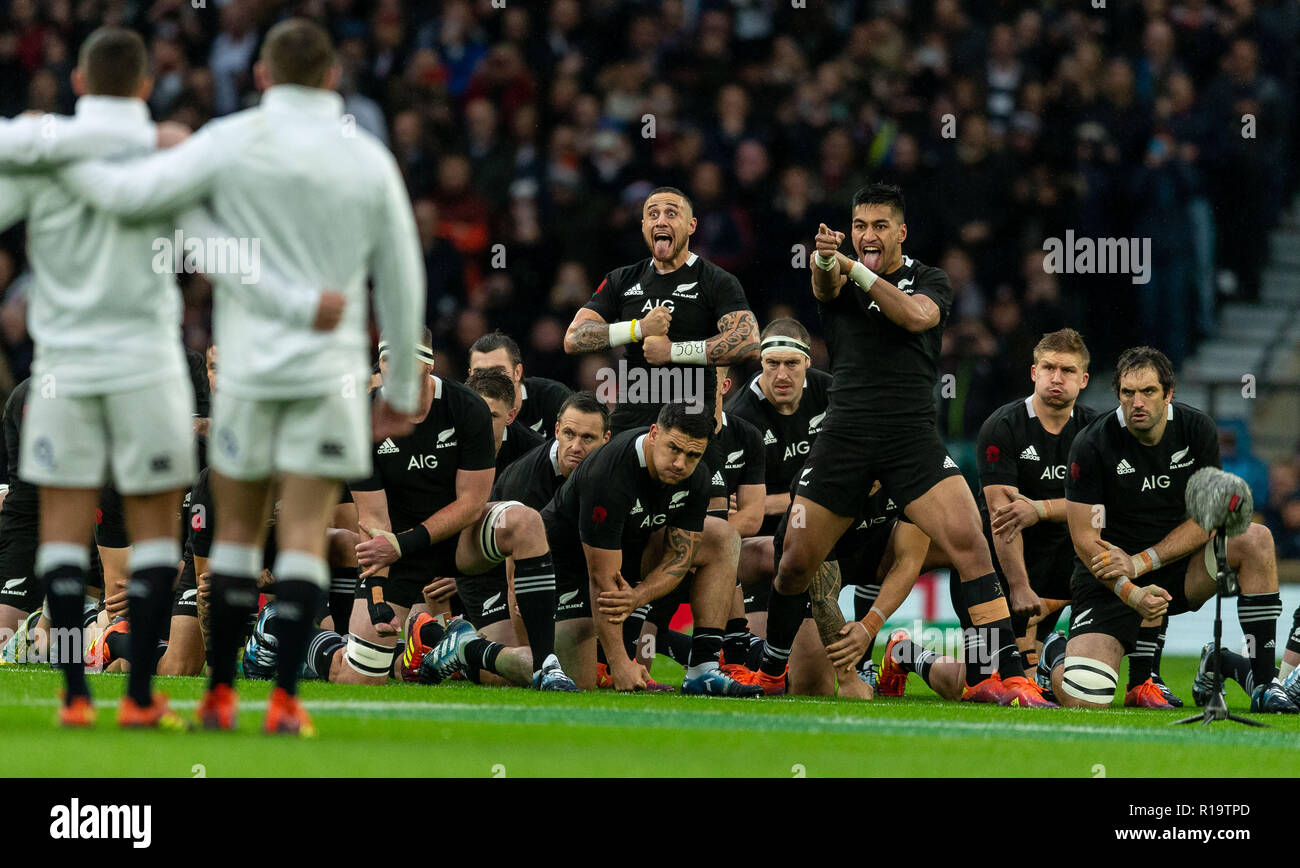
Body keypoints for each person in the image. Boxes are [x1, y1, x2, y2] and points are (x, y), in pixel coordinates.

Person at [59, 19, 427, 734]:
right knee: (302, 539)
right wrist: (405, 388)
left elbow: (147, 203)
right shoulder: (367, 156)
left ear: (260, 75)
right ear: (330, 79)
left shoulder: (227, 141)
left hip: (251, 375)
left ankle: (220, 696)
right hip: (327, 378)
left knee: (231, 543)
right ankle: (285, 701)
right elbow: (402, 271)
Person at [743, 183, 1053, 706]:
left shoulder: (928, 280)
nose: (868, 235)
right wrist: (825, 261)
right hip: (844, 436)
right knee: (794, 558)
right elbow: (822, 287)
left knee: (970, 543)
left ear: (900, 233)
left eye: (880, 226)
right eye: (860, 226)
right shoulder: (836, 277)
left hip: (911, 436)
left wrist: (853, 267)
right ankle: (770, 672)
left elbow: (915, 316)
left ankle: (1004, 675)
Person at [0, 28, 200, 728]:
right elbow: (225, 249)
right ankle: (140, 697)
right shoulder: (171, 151)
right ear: (146, 87)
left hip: (63, 371)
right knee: (152, 535)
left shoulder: (42, 155)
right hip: (148, 365)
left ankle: (74, 698)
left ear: (79, 84)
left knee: (59, 532)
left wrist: (33, 135)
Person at [1039, 346, 1296, 713]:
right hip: (1108, 579)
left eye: (1148, 392)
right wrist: (1130, 591)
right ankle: (1055, 653)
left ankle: (1265, 684)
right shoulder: (1092, 444)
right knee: (1086, 699)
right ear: (1118, 396)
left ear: (1169, 393)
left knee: (1255, 538)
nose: (1137, 402)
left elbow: (1207, 519)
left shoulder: (1196, 429)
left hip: (1176, 567)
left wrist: (1142, 563)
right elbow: (1085, 540)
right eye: (1127, 393)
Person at [346, 337, 576, 692]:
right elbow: (373, 518)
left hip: (458, 538)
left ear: (428, 364)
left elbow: (472, 502)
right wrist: (377, 596)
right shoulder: (362, 418)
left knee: (524, 521)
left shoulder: (466, 405)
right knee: (358, 678)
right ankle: (457, 646)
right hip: (397, 548)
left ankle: (546, 664)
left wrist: (404, 544)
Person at [539, 402, 762, 695]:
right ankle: (478, 651)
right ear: (655, 434)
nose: (681, 463)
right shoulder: (609, 474)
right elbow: (601, 577)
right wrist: (621, 663)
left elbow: (681, 557)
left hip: (631, 554)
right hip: (567, 566)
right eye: (674, 449)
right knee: (577, 680)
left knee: (722, 536)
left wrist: (638, 596)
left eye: (693, 455)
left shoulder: (696, 475)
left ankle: (702, 671)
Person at [563, 186, 759, 433]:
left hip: (691, 418)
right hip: (632, 416)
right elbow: (574, 338)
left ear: (691, 225)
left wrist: (672, 351)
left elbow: (748, 343)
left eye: (671, 213)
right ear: (644, 225)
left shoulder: (717, 280)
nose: (661, 221)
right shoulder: (621, 279)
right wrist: (639, 328)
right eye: (653, 215)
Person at [468, 331, 571, 437]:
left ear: (517, 372)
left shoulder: (553, 398)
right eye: (479, 372)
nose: (488, 379)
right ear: (470, 375)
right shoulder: (459, 410)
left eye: (497, 371)